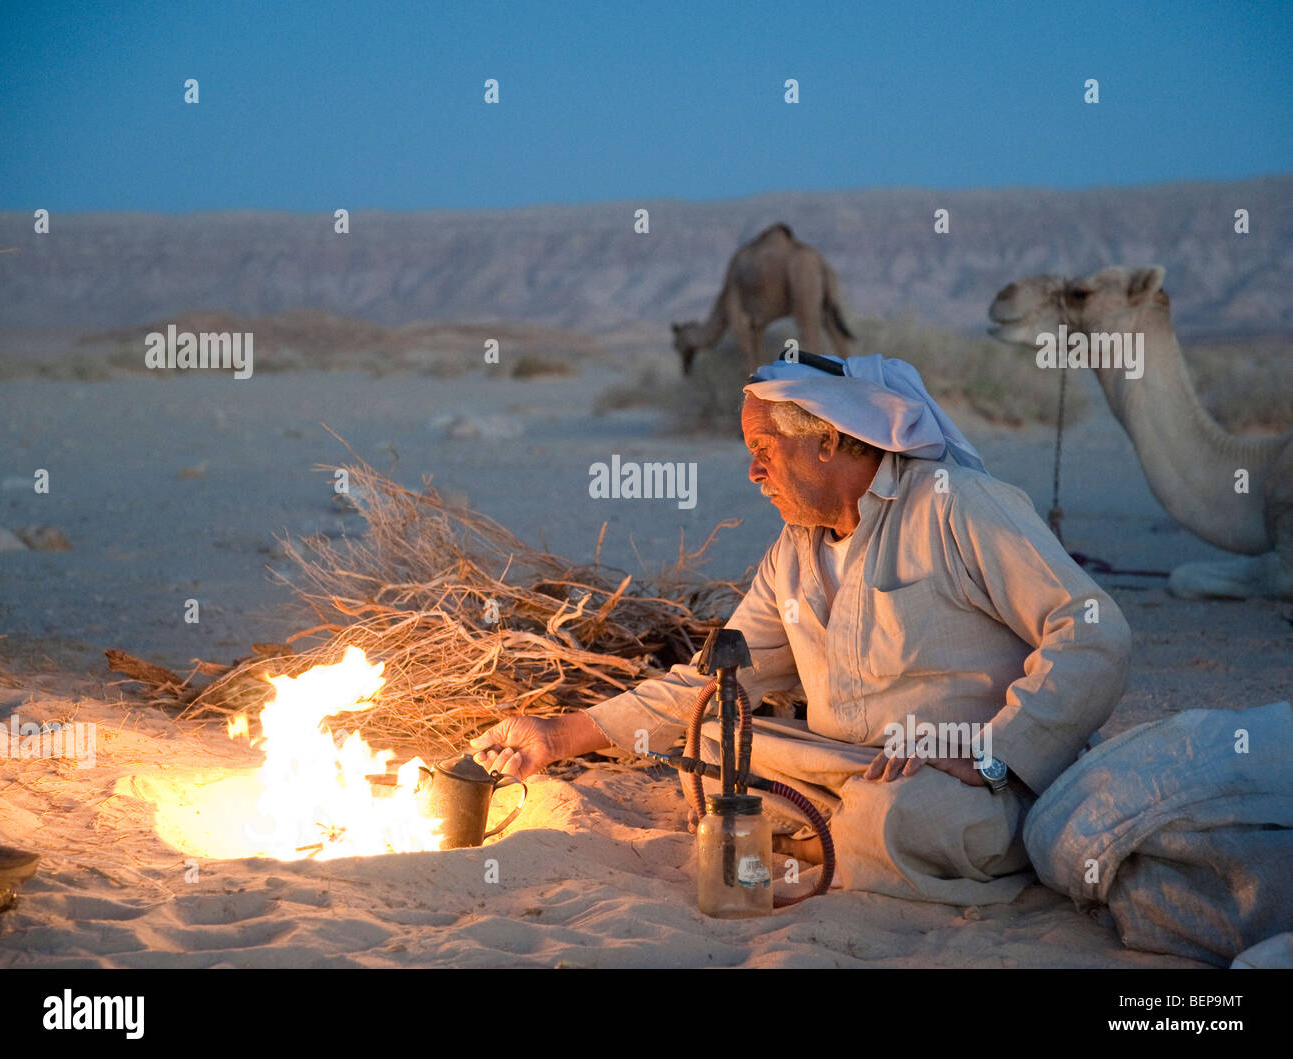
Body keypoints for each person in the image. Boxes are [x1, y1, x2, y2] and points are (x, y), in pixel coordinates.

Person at [472, 352, 1131, 904]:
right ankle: (847, 847)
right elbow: (706, 683)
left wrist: (994, 752)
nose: (753, 471)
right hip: (849, 766)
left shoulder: (954, 505)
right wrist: (557, 735)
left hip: (963, 782)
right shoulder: (794, 551)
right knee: (709, 740)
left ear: (827, 438)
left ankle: (838, 848)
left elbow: (1093, 630)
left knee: (892, 813)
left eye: (764, 448)